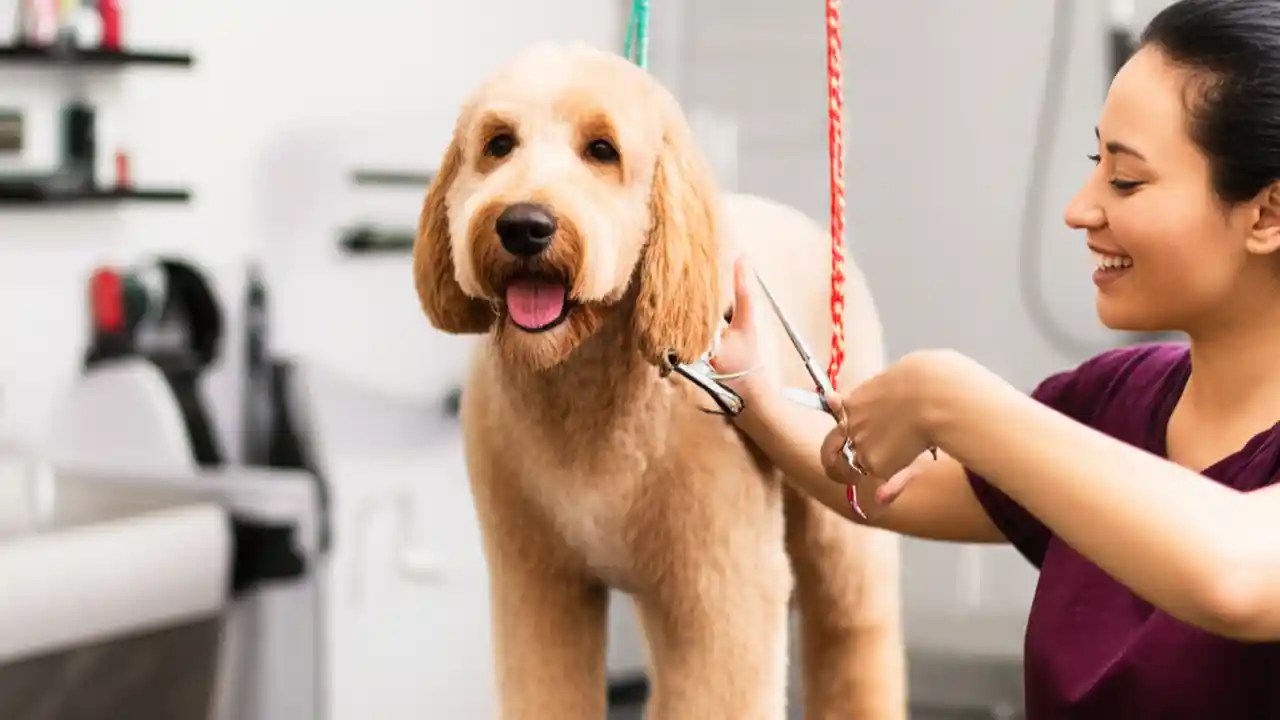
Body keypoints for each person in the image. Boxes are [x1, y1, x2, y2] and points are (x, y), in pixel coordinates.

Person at [709, 1, 1280, 717]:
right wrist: (752, 392)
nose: (1079, 208)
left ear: (1266, 214)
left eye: (1125, 181)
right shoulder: (1111, 402)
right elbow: (888, 487)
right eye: (1093, 166)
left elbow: (1236, 574)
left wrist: (951, 399)